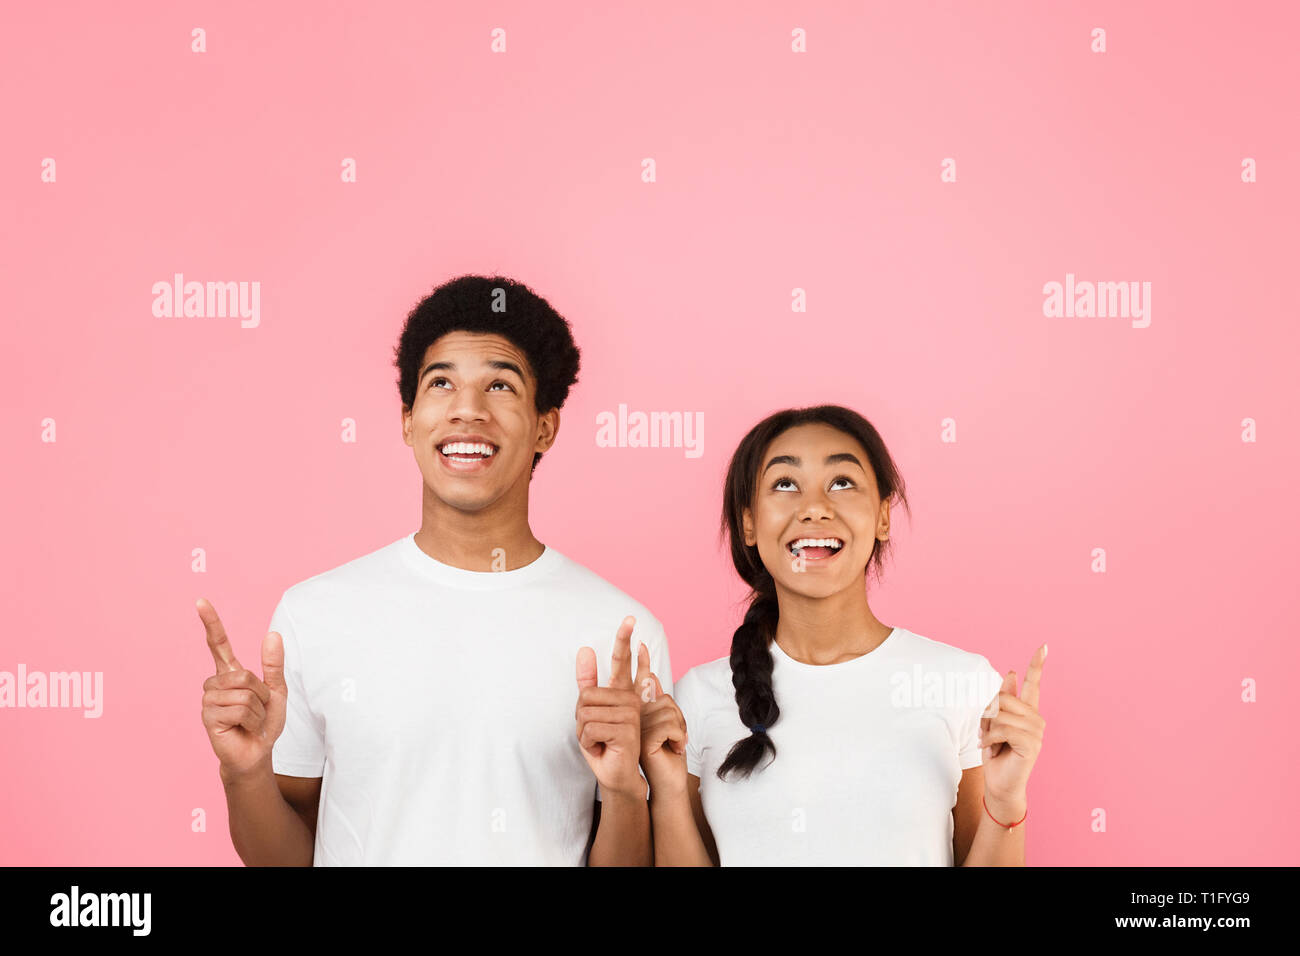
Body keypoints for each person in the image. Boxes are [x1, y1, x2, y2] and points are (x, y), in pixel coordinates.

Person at [197, 274, 671, 865]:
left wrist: (625, 791)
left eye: (500, 385)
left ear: (545, 426)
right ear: (408, 420)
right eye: (441, 383)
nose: (467, 410)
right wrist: (243, 775)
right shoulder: (314, 612)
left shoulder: (622, 634)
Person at [637, 405, 1046, 865]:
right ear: (749, 523)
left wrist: (1007, 803)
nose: (814, 508)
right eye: (785, 484)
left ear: (883, 517)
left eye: (842, 483)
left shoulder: (962, 683)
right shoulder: (696, 698)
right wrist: (667, 792)